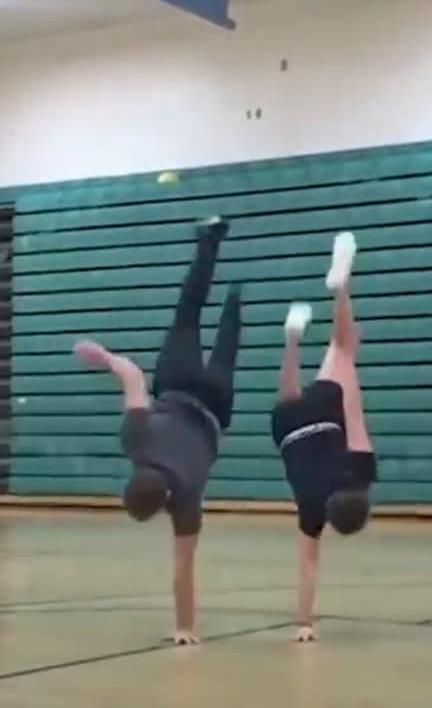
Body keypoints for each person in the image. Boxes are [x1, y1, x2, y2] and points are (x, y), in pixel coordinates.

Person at [73, 216, 241, 647]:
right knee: (188, 313)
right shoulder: (136, 441)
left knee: (225, 351)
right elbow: (132, 376)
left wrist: (185, 628)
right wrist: (104, 357)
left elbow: (183, 568)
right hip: (177, 383)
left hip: (214, 409)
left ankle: (238, 298)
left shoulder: (185, 499)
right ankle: (210, 241)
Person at [270, 231, 377, 643]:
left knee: (342, 347)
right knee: (290, 395)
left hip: (333, 432)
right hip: (288, 430)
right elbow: (308, 568)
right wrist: (304, 624)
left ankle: (342, 286)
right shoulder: (311, 515)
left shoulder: (356, 473)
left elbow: (356, 431)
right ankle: (293, 339)